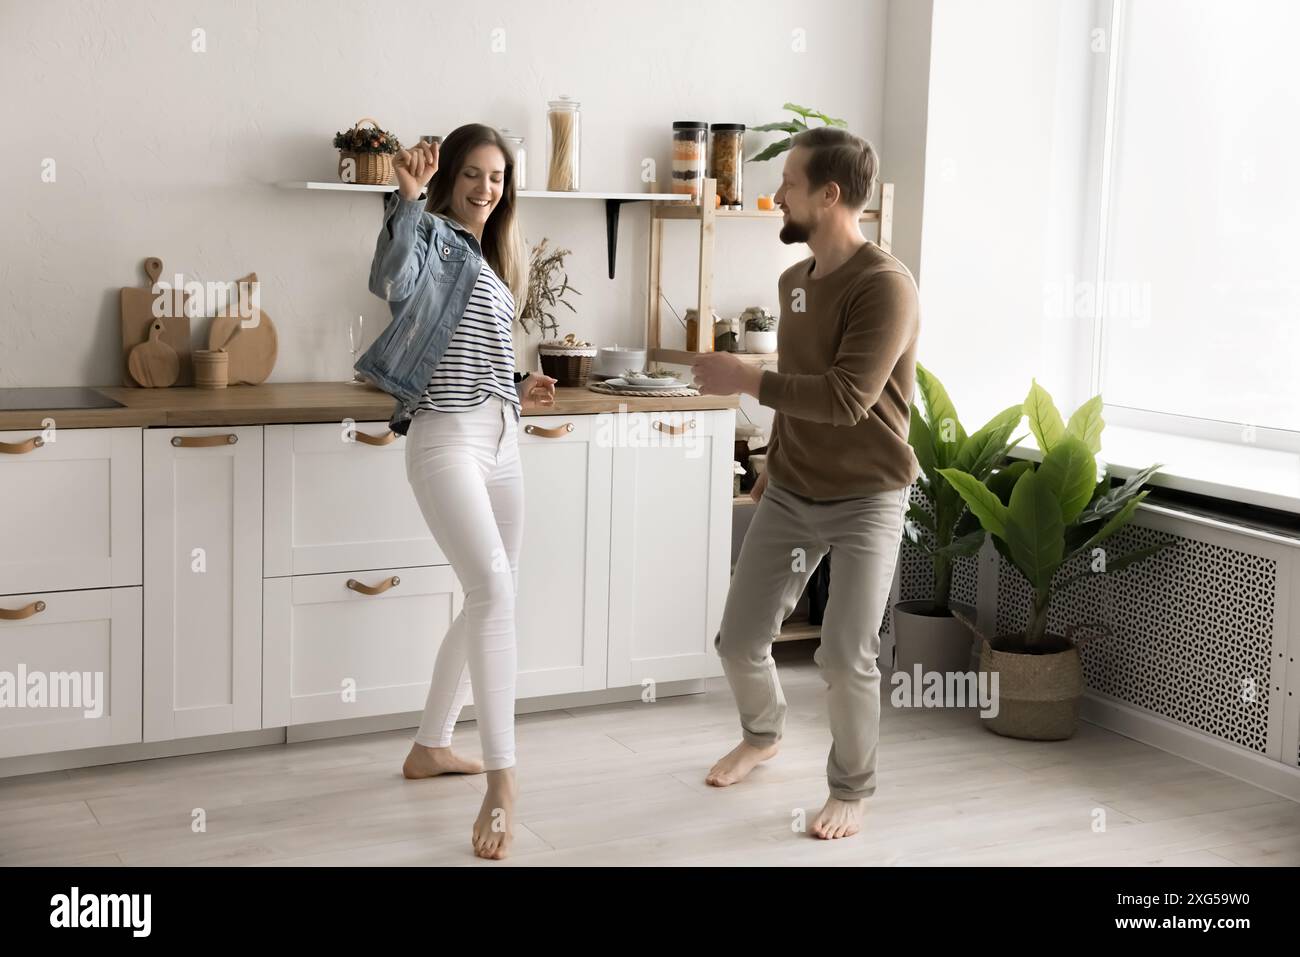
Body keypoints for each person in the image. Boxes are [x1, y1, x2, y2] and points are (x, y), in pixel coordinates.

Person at [691, 127, 919, 840]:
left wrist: (745, 378)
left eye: (788, 182)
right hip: (794, 489)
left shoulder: (885, 285)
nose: (777, 193)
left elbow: (847, 397)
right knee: (738, 639)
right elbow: (798, 396)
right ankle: (764, 734)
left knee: (845, 652)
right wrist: (770, 468)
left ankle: (850, 787)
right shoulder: (794, 284)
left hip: (868, 497)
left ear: (829, 194)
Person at [357, 125, 557, 860]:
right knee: (494, 596)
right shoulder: (432, 236)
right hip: (445, 439)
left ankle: (430, 746)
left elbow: (473, 351)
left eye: (498, 177)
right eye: (473, 174)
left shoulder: (495, 256)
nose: (485, 187)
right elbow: (393, 283)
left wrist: (518, 383)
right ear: (450, 178)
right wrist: (406, 199)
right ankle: (503, 783)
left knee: (489, 596)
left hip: (503, 438)